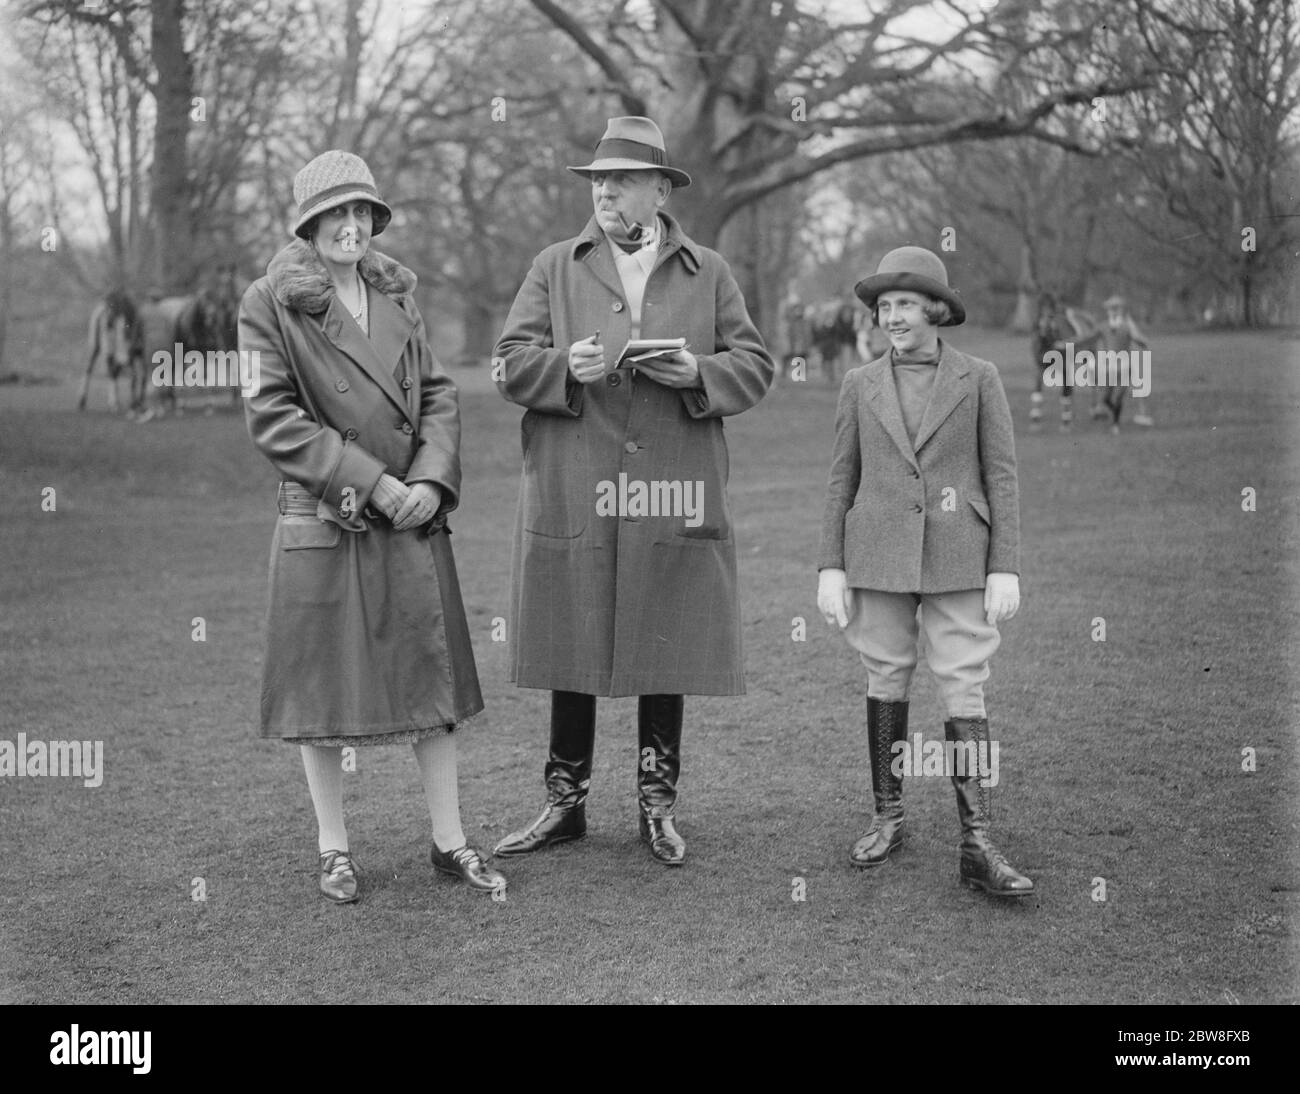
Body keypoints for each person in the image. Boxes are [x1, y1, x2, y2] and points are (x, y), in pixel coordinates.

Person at [492, 116, 774, 866]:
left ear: (661, 191)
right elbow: (508, 363)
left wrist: (699, 374)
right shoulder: (554, 265)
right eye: (598, 181)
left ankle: (657, 805)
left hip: (671, 481)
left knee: (665, 635)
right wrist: (563, 367)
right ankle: (565, 803)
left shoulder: (708, 270)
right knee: (571, 633)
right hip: (576, 478)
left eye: (623, 180)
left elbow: (756, 365)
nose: (606, 192)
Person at [239, 150, 503, 904]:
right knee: (320, 695)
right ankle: (334, 850)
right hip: (330, 516)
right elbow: (272, 417)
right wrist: (370, 481)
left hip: (411, 514)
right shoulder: (268, 302)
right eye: (336, 213)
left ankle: (450, 841)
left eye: (362, 211)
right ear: (310, 224)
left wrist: (429, 479)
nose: (350, 225)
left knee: (433, 683)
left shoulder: (396, 296)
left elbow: (440, 396)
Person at [817, 246, 1034, 899]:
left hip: (959, 551)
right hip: (877, 554)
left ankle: (978, 843)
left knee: (964, 683)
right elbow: (840, 479)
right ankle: (887, 818)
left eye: (906, 304)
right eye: (885, 306)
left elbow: (1001, 475)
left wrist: (1005, 566)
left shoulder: (979, 377)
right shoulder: (859, 383)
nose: (893, 317)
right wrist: (831, 565)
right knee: (885, 675)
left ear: (936, 309)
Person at [1067, 294, 1153, 431]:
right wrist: (1070, 343)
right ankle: (1115, 416)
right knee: (1105, 399)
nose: (1113, 311)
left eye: (1116, 308)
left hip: (1124, 367)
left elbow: (1142, 342)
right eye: (1111, 308)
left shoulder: (1127, 327)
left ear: (1121, 310)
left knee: (1118, 396)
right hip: (1108, 368)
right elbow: (1088, 338)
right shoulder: (1103, 326)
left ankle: (1116, 424)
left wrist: (1135, 331)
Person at [1029, 291, 1072, 432]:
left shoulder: (1057, 324)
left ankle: (1066, 420)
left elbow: (1063, 341)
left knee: (1067, 379)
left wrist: (1059, 345)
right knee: (1038, 381)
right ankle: (1036, 418)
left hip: (1057, 357)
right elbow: (1037, 349)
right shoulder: (1039, 326)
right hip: (1044, 358)